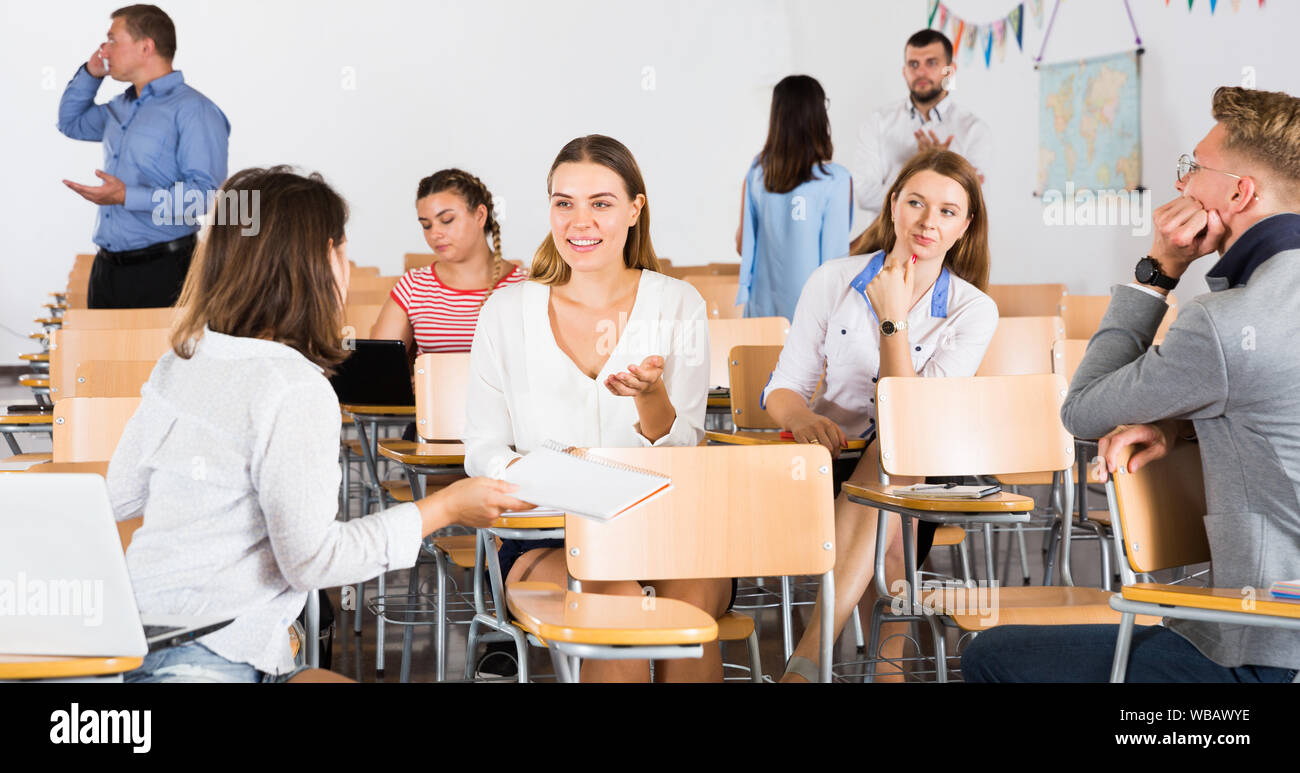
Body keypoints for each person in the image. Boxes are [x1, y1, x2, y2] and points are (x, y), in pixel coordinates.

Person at [108, 166, 532, 682]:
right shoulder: (293, 385)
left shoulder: (184, 359)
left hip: (131, 639)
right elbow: (310, 563)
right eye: (343, 248)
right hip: (208, 664)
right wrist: (445, 507)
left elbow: (116, 494)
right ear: (322, 259)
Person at [962, 87, 1300, 683]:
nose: (1182, 185)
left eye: (1193, 169)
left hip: (1266, 653)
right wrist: (1184, 425)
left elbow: (1084, 410)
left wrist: (1158, 272)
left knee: (991, 658)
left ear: (1238, 192)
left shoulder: (1223, 324)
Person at [463, 134, 731, 682]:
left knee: (688, 608)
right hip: (546, 537)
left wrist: (651, 398)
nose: (578, 222)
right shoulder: (506, 310)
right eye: (564, 203)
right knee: (616, 600)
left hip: (667, 532)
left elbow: (687, 448)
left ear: (635, 209)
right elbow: (482, 451)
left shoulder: (678, 303)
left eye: (601, 203)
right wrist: (550, 475)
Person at [767, 149, 999, 683]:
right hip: (825, 461)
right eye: (915, 202)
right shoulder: (833, 279)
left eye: (946, 211)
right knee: (893, 541)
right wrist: (801, 417)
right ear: (893, 206)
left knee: (896, 455)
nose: (927, 221)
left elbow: (910, 418)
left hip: (921, 464)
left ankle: (809, 658)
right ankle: (889, 673)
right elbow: (782, 387)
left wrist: (893, 319)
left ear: (965, 227)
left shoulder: (973, 310)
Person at [57, 4, 230, 309]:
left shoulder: (195, 111)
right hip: (106, 271)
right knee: (103, 358)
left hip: (167, 270)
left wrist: (127, 195)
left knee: (158, 358)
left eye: (113, 40)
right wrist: (90, 74)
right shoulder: (119, 107)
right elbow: (70, 123)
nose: (105, 50)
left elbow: (206, 196)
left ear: (146, 47)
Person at [735, 75, 853, 322]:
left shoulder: (757, 172)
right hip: (811, 320)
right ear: (820, 115)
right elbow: (835, 264)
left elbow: (742, 245)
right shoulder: (837, 181)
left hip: (761, 316)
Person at [370, 169, 528, 353]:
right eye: (426, 225)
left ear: (480, 215)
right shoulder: (413, 287)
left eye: (447, 220)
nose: (435, 234)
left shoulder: (525, 287)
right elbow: (377, 366)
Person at [852, 29, 990, 224]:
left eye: (931, 63)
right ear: (904, 71)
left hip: (950, 251)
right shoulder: (878, 122)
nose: (921, 72)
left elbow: (973, 201)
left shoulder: (974, 130)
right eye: (913, 64)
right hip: (885, 244)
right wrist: (921, 166)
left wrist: (941, 164)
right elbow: (864, 195)